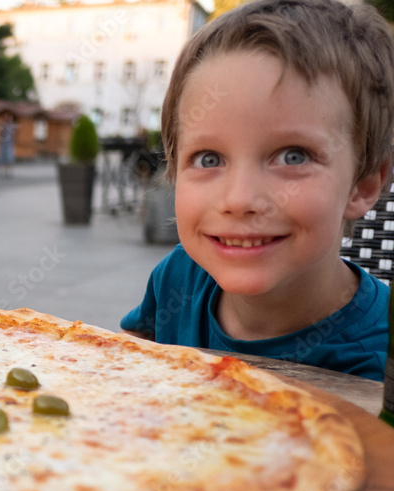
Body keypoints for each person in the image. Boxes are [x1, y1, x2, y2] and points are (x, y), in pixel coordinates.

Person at [121, 0, 393, 381]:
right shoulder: (178, 277)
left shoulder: (380, 350)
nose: (239, 200)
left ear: (364, 184)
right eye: (209, 159)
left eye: (293, 156)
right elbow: (125, 365)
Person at [0, 110, 17, 178]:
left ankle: (8, 173)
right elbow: (0, 134)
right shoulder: (1, 125)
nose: (6, 118)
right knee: (1, 159)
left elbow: (15, 132)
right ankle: (1, 173)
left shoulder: (12, 126)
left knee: (9, 159)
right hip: (2, 145)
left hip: (9, 145)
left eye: (7, 117)